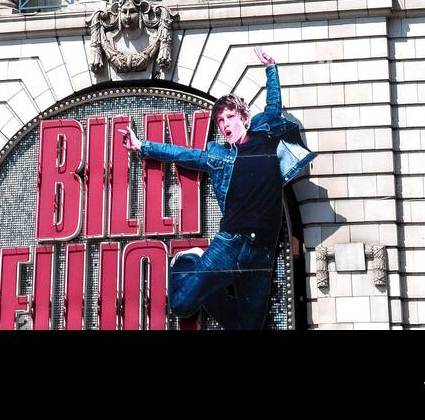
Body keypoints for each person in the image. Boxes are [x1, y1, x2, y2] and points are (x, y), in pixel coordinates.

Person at [121, 47, 315, 330]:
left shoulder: (267, 136)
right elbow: (184, 154)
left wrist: (271, 69)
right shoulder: (219, 157)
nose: (224, 125)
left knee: (247, 327)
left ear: (245, 117)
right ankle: (189, 261)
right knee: (181, 304)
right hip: (230, 243)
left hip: (262, 250)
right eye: (220, 121)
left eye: (229, 117)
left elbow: (273, 106)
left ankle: (207, 284)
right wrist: (142, 146)